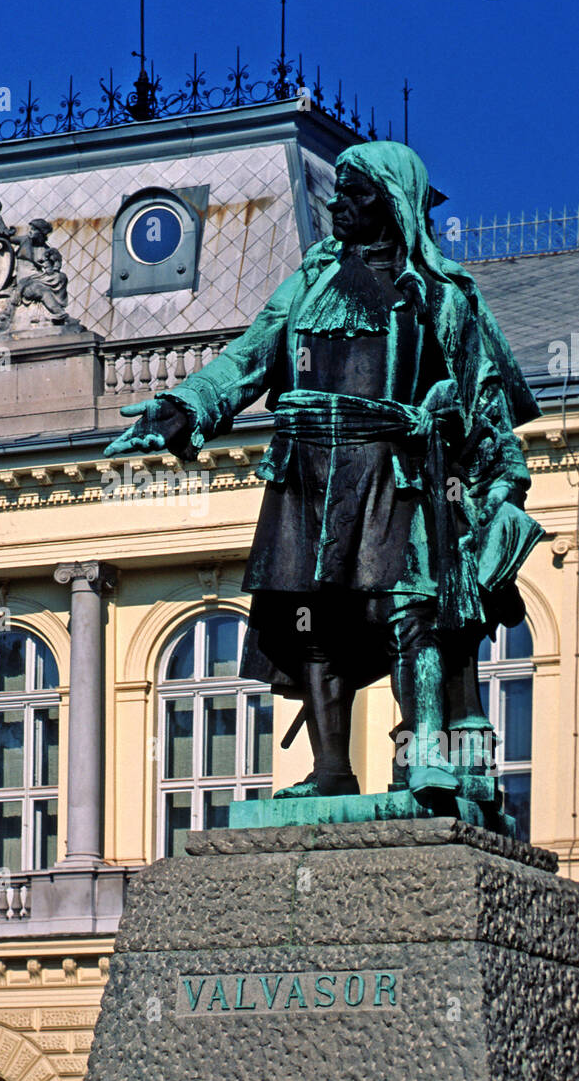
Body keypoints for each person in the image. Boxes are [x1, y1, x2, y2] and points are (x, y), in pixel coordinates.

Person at [105, 142, 542, 803]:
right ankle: (330, 768)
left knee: (407, 609)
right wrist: (179, 406)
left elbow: (481, 407)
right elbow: (246, 361)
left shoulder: (439, 295)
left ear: (392, 202)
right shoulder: (307, 284)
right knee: (312, 626)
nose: (340, 202)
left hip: (394, 467)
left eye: (357, 192)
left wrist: (488, 486)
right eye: (338, 189)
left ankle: (423, 750)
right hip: (308, 470)